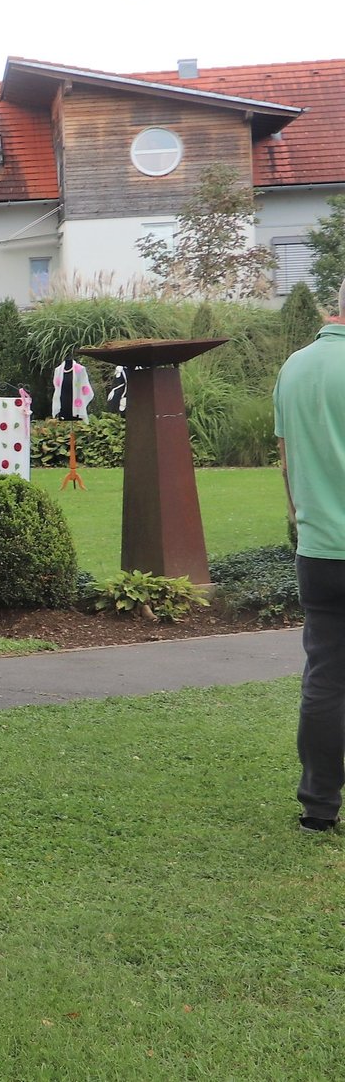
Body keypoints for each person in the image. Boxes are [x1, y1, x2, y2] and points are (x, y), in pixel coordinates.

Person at [275, 279, 345, 834]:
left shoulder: (294, 368)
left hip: (319, 551)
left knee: (325, 679)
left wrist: (304, 524)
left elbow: (286, 465)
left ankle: (319, 806)